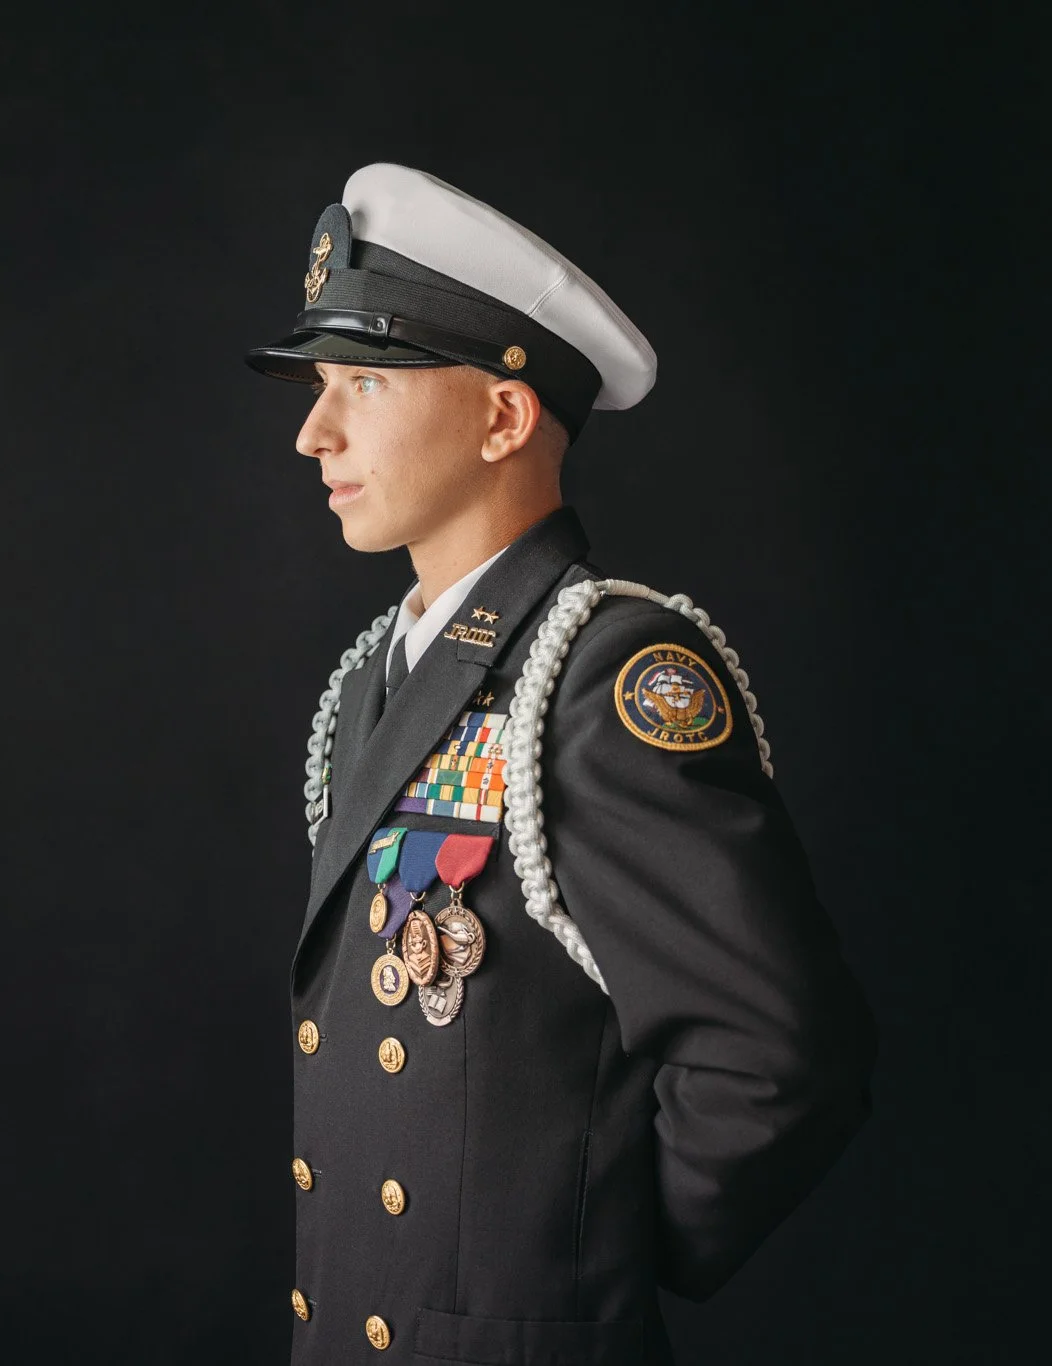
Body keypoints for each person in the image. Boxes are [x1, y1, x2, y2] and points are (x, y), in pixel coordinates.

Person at [245, 163, 878, 1363]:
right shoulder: (376, 675)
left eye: (363, 385)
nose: (311, 432)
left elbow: (779, 1056)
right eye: (321, 387)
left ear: (501, 418)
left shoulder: (603, 680)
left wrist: (578, 1255)